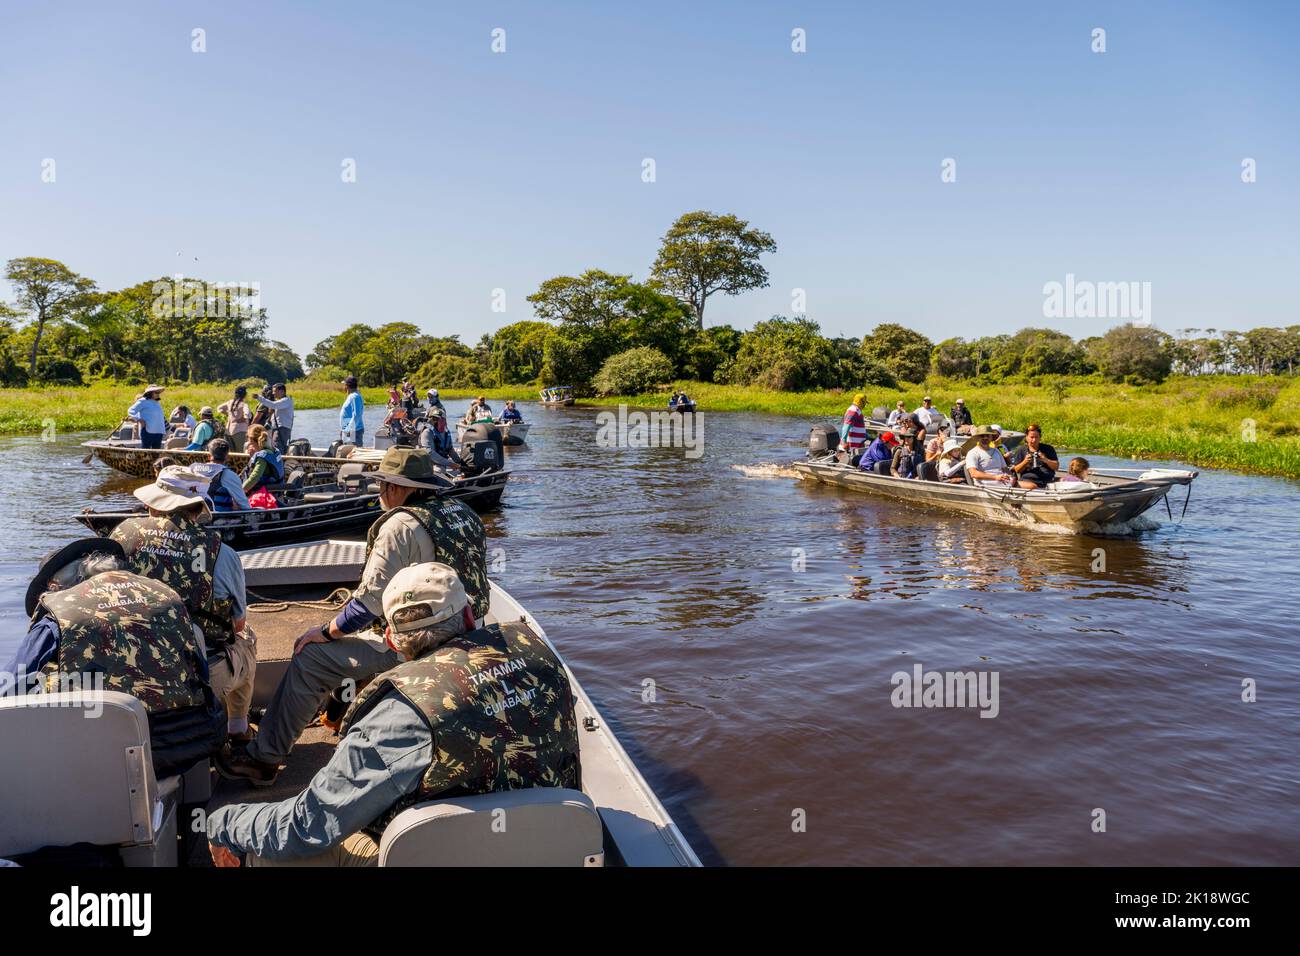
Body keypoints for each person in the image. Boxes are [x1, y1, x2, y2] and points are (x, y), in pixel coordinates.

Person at [207, 562, 580, 867]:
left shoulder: (402, 711)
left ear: (391, 641)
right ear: (469, 615)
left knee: (270, 852)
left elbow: (307, 826)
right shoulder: (538, 653)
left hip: (442, 854)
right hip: (552, 848)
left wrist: (225, 822)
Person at [217, 447, 490, 787]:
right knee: (354, 646)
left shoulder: (400, 527)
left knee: (312, 655)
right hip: (470, 631)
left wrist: (324, 632)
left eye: (381, 486)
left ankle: (264, 758)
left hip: (422, 645)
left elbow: (368, 605)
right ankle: (341, 712)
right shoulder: (464, 512)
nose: (379, 494)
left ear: (395, 488)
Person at [7, 537, 225, 777]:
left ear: (58, 584)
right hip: (190, 741)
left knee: (46, 684)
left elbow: (13, 682)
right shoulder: (164, 593)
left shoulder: (60, 610)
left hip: (102, 755)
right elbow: (199, 671)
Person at [110, 467, 257, 743]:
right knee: (247, 638)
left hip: (125, 669)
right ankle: (237, 726)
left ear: (153, 505)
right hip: (197, 677)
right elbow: (238, 625)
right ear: (197, 507)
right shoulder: (222, 553)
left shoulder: (121, 535)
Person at [193, 439, 250, 511]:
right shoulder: (228, 475)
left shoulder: (192, 469)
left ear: (209, 455)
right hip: (216, 519)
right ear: (227, 457)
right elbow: (245, 506)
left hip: (192, 517)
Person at [1008, 423, 1060, 489]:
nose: (1034, 440)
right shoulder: (1021, 450)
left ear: (1040, 437)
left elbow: (1056, 467)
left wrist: (1045, 460)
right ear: (1026, 437)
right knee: (1032, 486)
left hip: (1047, 481)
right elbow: (1017, 470)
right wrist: (1025, 462)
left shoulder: (1048, 448)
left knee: (1064, 480)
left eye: (1036, 437)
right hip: (1028, 481)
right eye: (1032, 437)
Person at [241, 424, 285, 497]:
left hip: (262, 495)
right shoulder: (274, 451)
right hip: (273, 492)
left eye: (248, 438)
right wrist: (253, 456)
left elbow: (254, 477)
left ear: (251, 440)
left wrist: (240, 492)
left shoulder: (262, 457)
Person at [254, 383, 294, 454]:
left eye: (275, 391)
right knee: (278, 447)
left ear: (282, 391)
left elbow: (273, 405)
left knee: (278, 448)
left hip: (281, 429)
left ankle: (278, 464)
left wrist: (259, 397)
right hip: (278, 428)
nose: (273, 393)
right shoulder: (283, 401)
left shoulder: (286, 400)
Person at [127, 385, 167, 449]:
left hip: (159, 432)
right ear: (150, 393)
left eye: (158, 392)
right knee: (146, 453)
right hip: (148, 431)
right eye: (156, 392)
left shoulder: (157, 402)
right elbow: (131, 411)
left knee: (156, 454)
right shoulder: (143, 401)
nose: (158, 394)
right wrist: (139, 419)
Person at [218, 386, 251, 453]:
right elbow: (246, 415)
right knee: (241, 453)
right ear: (245, 395)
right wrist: (244, 419)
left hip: (228, 431)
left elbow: (219, 409)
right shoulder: (244, 405)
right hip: (240, 431)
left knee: (230, 453)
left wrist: (228, 414)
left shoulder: (229, 403)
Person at [840, 393, 869, 459]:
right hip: (852, 445)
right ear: (862, 402)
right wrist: (843, 442)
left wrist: (866, 436)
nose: (865, 405)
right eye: (865, 403)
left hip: (858, 444)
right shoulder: (853, 410)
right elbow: (846, 426)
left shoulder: (857, 410)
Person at [340, 375, 365, 446]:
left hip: (353, 431)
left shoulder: (355, 397)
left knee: (353, 454)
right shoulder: (352, 396)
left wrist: (348, 429)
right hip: (349, 430)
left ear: (347, 386)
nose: (344, 387)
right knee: (348, 453)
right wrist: (343, 429)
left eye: (344, 385)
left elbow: (357, 415)